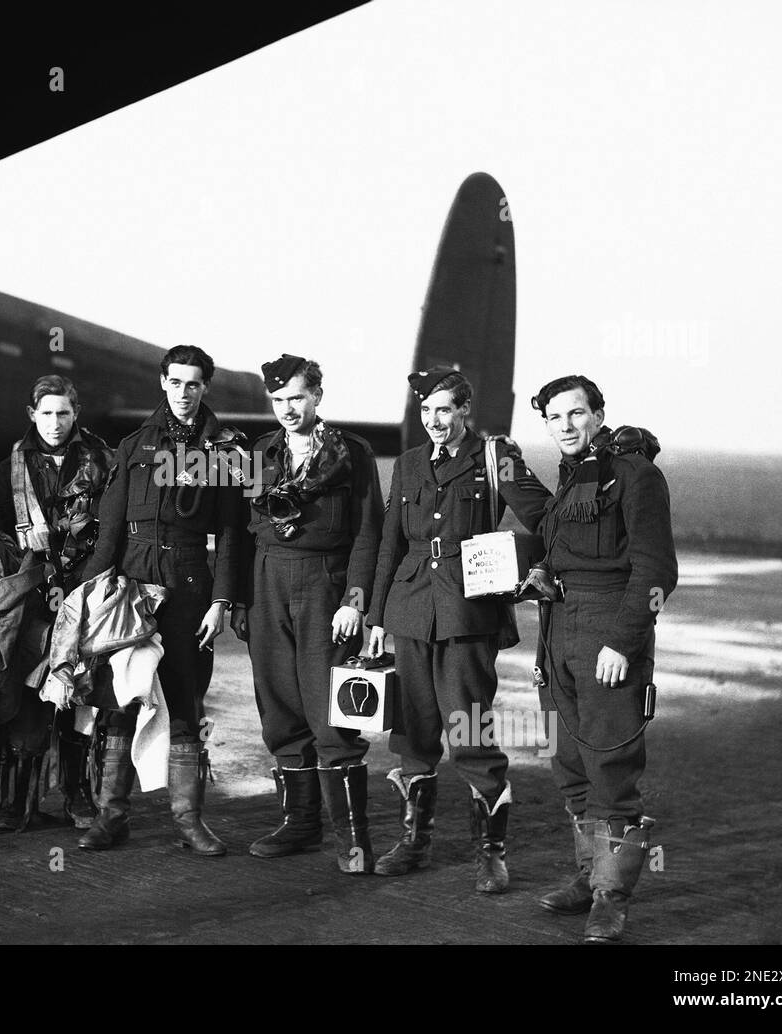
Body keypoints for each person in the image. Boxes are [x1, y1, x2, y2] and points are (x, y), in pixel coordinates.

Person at [366, 367, 550, 890]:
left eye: (444, 410)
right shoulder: (408, 464)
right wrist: (378, 616)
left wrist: (518, 562)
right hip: (409, 610)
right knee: (413, 733)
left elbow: (549, 518)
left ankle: (490, 853)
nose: (435, 421)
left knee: (468, 729)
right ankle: (414, 841)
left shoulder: (495, 457)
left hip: (468, 612)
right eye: (426, 411)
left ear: (465, 410)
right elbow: (390, 544)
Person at [75, 345, 245, 855]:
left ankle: (188, 821)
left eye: (194, 384)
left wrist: (222, 602)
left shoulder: (225, 451)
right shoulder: (134, 446)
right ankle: (110, 816)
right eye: (175, 382)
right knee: (122, 701)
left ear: (205, 387)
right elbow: (109, 530)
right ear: (162, 383)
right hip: (132, 587)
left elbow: (234, 534)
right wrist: (89, 594)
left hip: (191, 587)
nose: (184, 393)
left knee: (186, 703)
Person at [529, 374, 677, 942]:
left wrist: (623, 640)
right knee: (570, 762)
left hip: (608, 631)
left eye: (575, 414)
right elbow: (566, 553)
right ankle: (589, 877)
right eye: (554, 417)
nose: (564, 426)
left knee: (610, 765)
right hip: (559, 629)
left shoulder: (636, 476)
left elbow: (657, 570)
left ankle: (611, 902)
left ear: (597, 414)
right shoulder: (571, 482)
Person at [231, 354, 383, 873]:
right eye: (277, 400)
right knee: (279, 706)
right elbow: (238, 533)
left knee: (332, 713)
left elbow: (368, 534)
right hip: (267, 580)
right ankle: (300, 823)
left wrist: (355, 601)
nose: (287, 409)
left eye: (296, 397)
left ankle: (353, 839)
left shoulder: (351, 453)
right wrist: (236, 598)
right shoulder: (259, 453)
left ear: (317, 395)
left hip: (326, 587)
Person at [0, 375, 115, 830]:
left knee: (81, 688)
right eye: (46, 413)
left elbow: (114, 528)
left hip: (84, 588)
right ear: (32, 415)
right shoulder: (13, 467)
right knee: (28, 688)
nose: (56, 422)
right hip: (35, 592)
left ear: (75, 413)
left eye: (64, 412)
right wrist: (22, 541)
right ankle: (16, 798)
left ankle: (77, 794)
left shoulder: (102, 461)